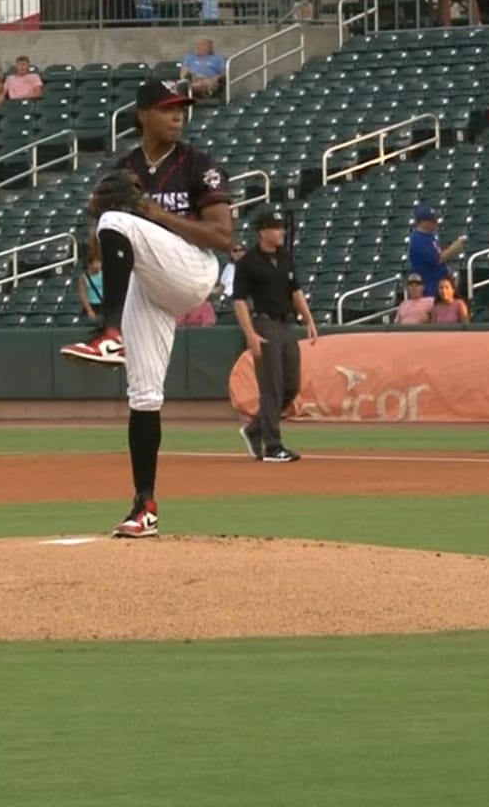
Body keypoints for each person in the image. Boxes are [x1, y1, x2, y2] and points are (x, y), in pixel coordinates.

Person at [59, 80, 234, 538]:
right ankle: (145, 506)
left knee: (121, 217)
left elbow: (223, 238)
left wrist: (149, 212)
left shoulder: (198, 165)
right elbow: (103, 234)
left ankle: (109, 332)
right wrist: (97, 213)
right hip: (150, 281)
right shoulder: (125, 168)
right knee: (144, 396)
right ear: (142, 115)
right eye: (168, 108)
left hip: (193, 270)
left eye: (182, 109)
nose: (178, 116)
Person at [233, 208, 318, 464]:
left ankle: (255, 428)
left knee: (290, 385)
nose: (280, 231)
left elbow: (296, 292)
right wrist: (250, 334)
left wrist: (309, 319)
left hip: (285, 324)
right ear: (262, 232)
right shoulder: (249, 262)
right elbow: (239, 301)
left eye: (281, 227)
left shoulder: (285, 258)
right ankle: (272, 445)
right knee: (271, 385)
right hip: (264, 323)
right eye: (275, 227)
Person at [407, 204, 467, 298]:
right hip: (430, 287)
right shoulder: (418, 239)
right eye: (432, 221)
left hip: (440, 283)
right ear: (423, 222)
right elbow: (437, 259)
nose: (436, 223)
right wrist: (454, 248)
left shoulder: (431, 235)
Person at [78, 255, 104, 322]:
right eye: (97, 262)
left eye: (100, 262)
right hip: (91, 305)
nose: (100, 264)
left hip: (102, 305)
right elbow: (83, 295)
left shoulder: (104, 275)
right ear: (89, 264)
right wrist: (89, 310)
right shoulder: (83, 278)